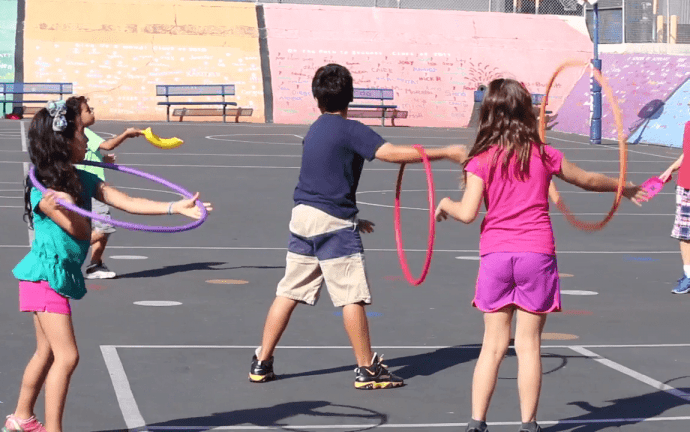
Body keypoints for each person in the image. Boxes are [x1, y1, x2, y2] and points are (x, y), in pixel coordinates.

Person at [433, 78, 645, 432]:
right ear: (526, 112)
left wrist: (444, 204)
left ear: (488, 113)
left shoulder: (481, 159)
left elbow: (468, 212)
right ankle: (528, 425)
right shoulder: (544, 154)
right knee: (529, 346)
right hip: (536, 254)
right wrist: (623, 188)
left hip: (497, 256)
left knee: (492, 345)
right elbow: (588, 179)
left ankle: (476, 423)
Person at [248, 63, 467, 390]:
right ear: (349, 97)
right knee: (352, 296)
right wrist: (445, 152)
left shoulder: (315, 129)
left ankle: (262, 361)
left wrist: (351, 218)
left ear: (316, 98)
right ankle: (367, 369)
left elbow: (324, 178)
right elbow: (391, 153)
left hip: (304, 217)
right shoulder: (350, 129)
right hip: (331, 223)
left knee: (288, 291)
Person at [3, 100, 212, 432]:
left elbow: (128, 201)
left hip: (53, 275)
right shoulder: (45, 193)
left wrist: (176, 206)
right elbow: (82, 230)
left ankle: (21, 418)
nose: (88, 140)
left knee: (46, 352)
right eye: (82, 133)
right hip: (44, 276)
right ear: (63, 141)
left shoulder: (83, 178)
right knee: (67, 356)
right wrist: (70, 208)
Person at [64, 96, 143, 279]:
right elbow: (107, 145)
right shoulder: (84, 133)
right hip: (90, 188)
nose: (92, 111)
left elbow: (85, 156)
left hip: (83, 186)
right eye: (87, 110)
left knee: (94, 227)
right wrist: (125, 134)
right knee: (103, 228)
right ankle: (66, 256)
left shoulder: (77, 133)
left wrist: (102, 160)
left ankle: (95, 263)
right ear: (77, 116)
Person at [659, 116, 690, 294]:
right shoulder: (688, 126)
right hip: (685, 185)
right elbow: (686, 154)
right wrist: (671, 168)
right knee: (684, 233)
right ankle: (688, 274)